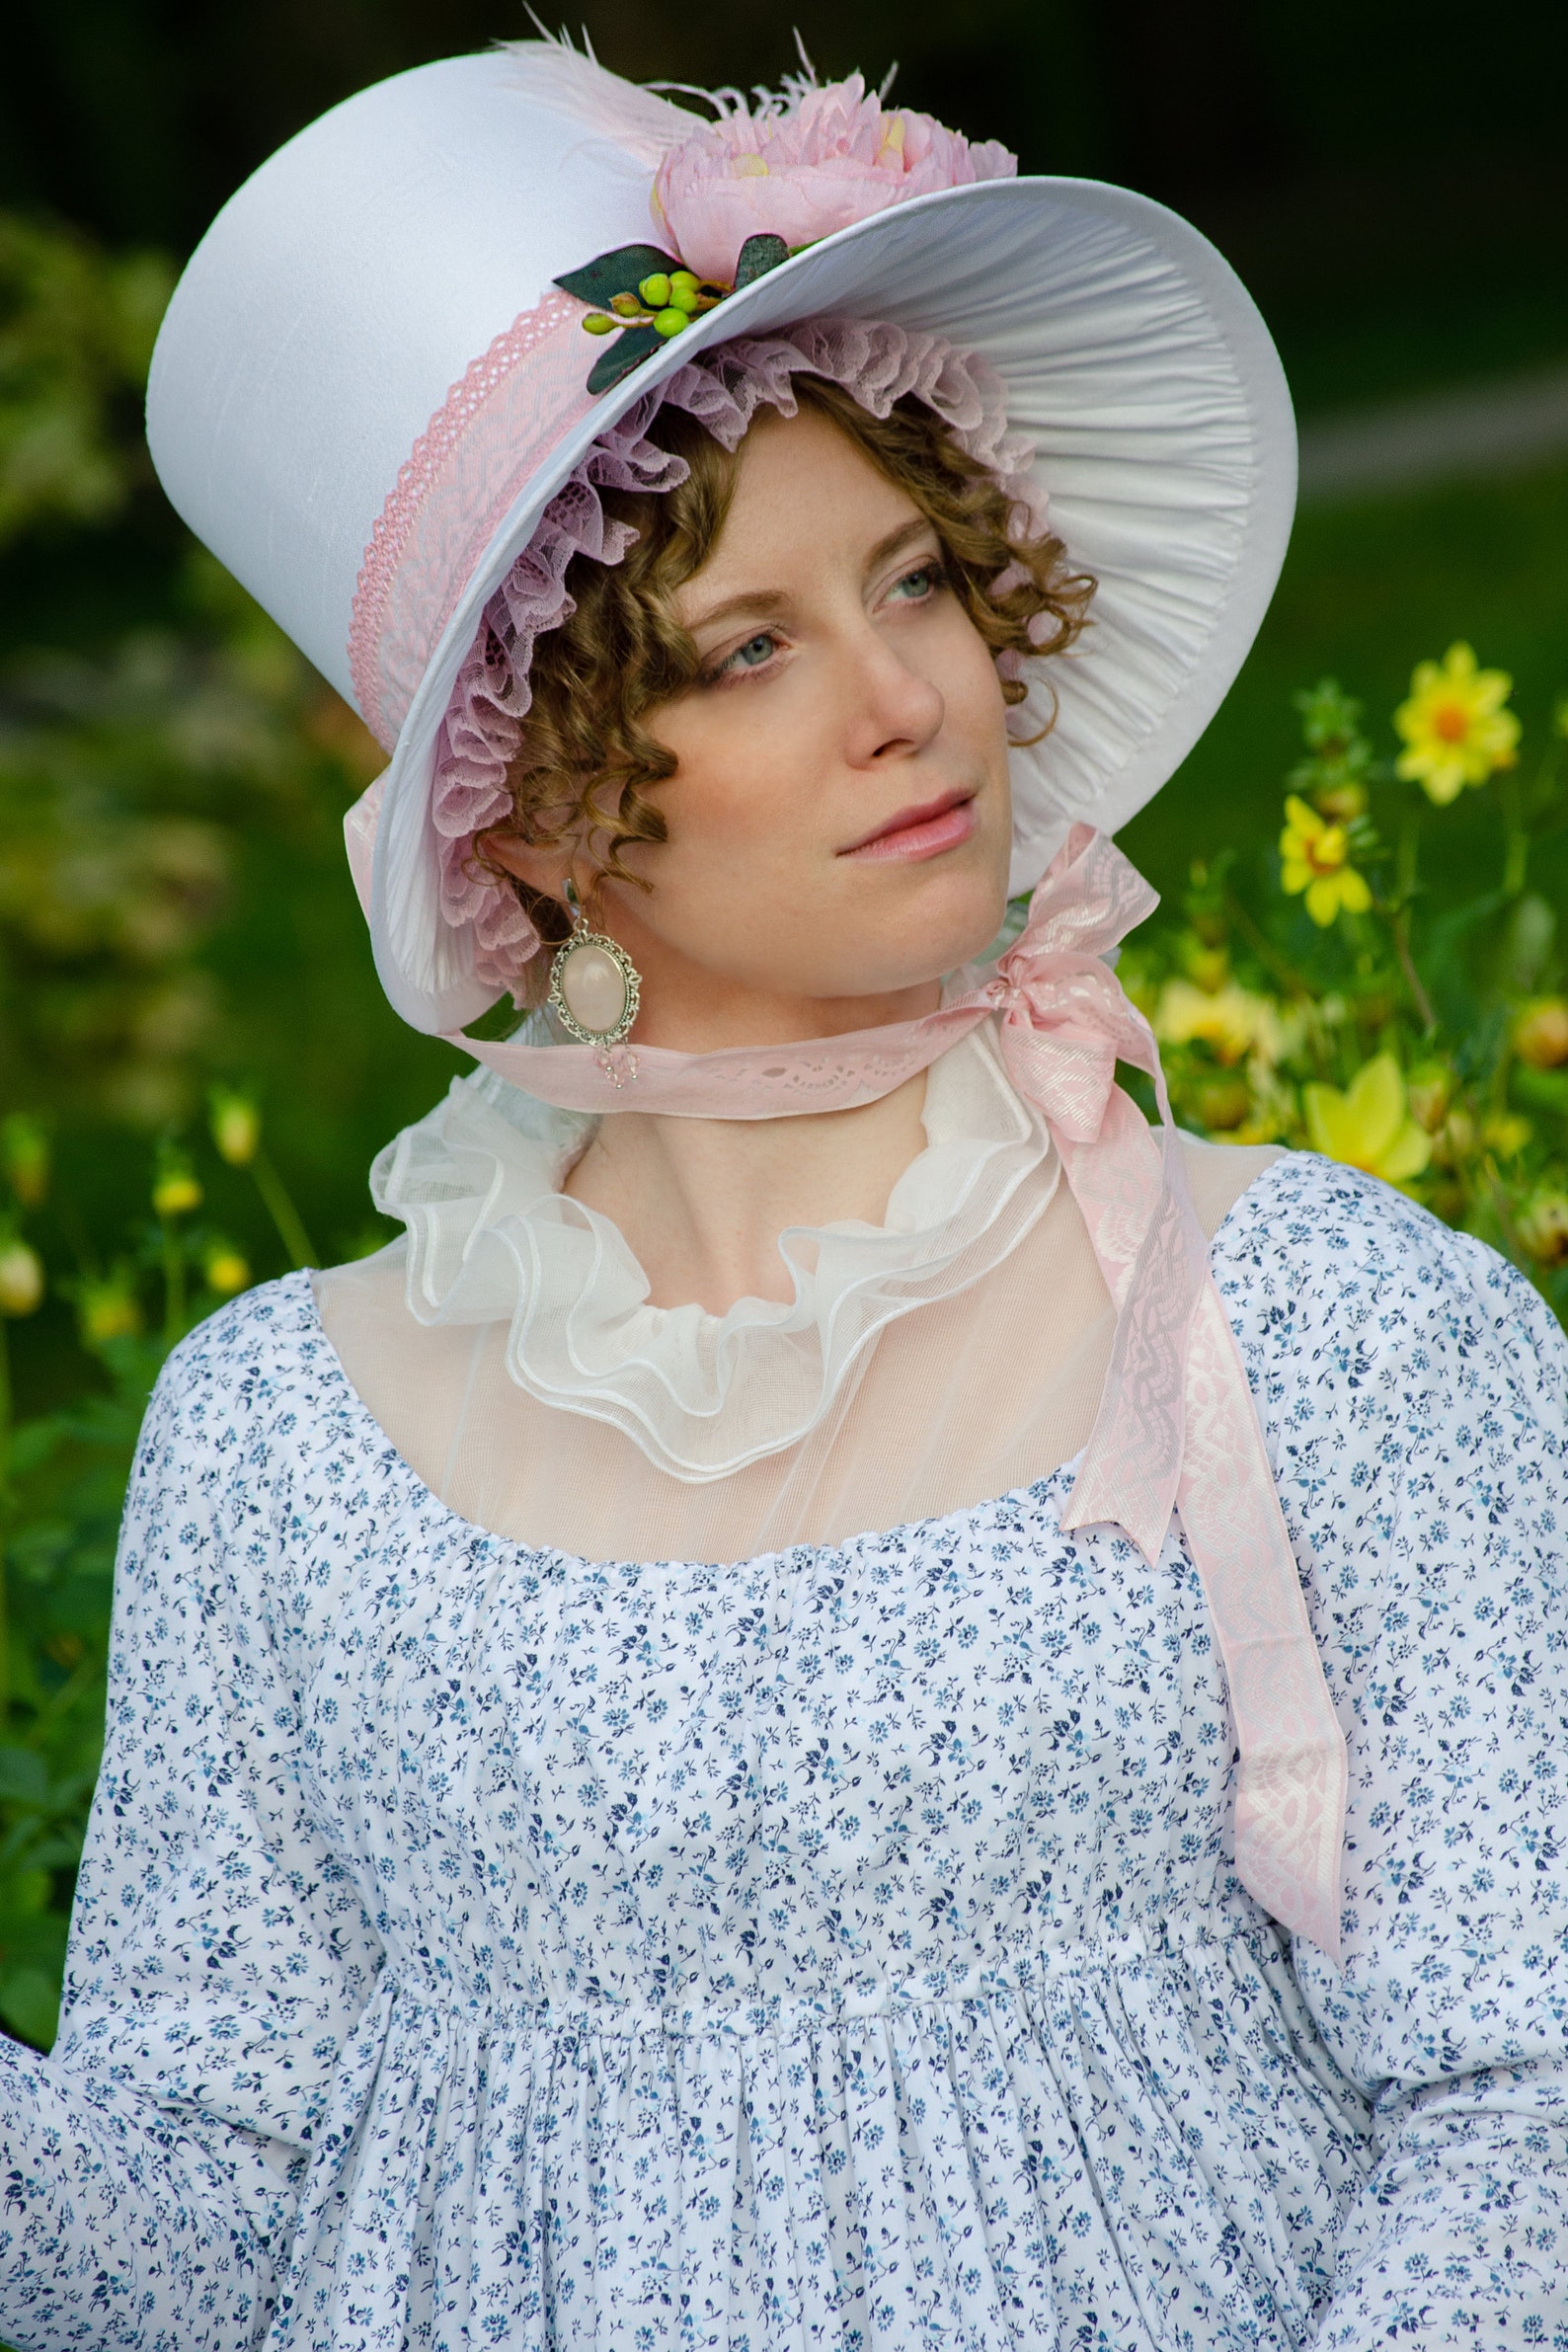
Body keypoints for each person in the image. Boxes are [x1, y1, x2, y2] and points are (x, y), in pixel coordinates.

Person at [0, 39, 1563, 2352]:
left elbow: (1520, 2104)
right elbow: (178, 2247)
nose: (905, 697)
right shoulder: (280, 1458)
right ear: (526, 813)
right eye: (749, 647)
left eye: (916, 579)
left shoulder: (1311, 1324)